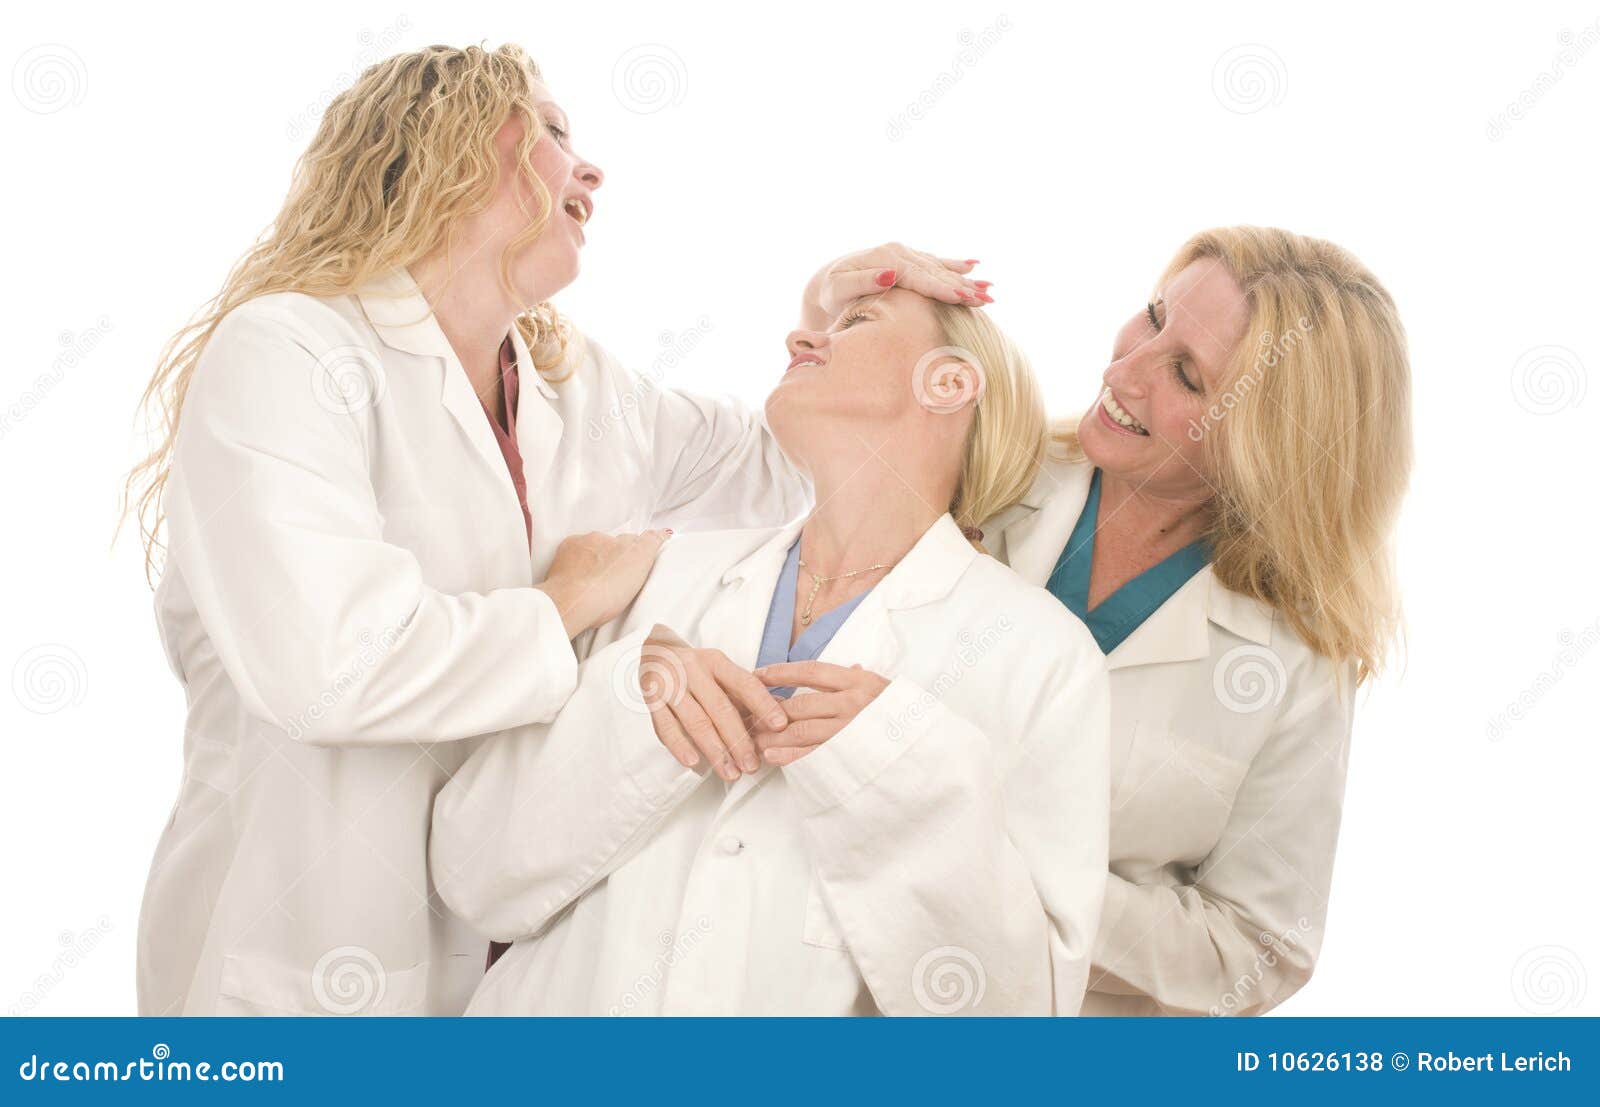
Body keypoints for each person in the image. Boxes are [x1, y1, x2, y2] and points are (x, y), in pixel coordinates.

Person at [126, 44, 983, 1016]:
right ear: (441, 142)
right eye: (553, 131)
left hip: (519, 986)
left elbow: (799, 469)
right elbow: (331, 667)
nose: (590, 168)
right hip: (299, 978)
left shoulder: (583, 392)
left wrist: (837, 315)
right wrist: (568, 600)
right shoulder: (289, 352)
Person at [429, 289, 1110, 1015]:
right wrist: (626, 711)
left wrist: (901, 770)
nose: (800, 337)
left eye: (855, 322)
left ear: (949, 382)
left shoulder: (1043, 658)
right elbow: (471, 876)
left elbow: (1013, 1019)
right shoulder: (655, 573)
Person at [985, 226, 1412, 1014]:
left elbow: (1260, 948)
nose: (1124, 369)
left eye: (1185, 374)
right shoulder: (987, 471)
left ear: (1268, 442)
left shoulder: (1296, 662)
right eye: (1153, 318)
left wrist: (1024, 877)